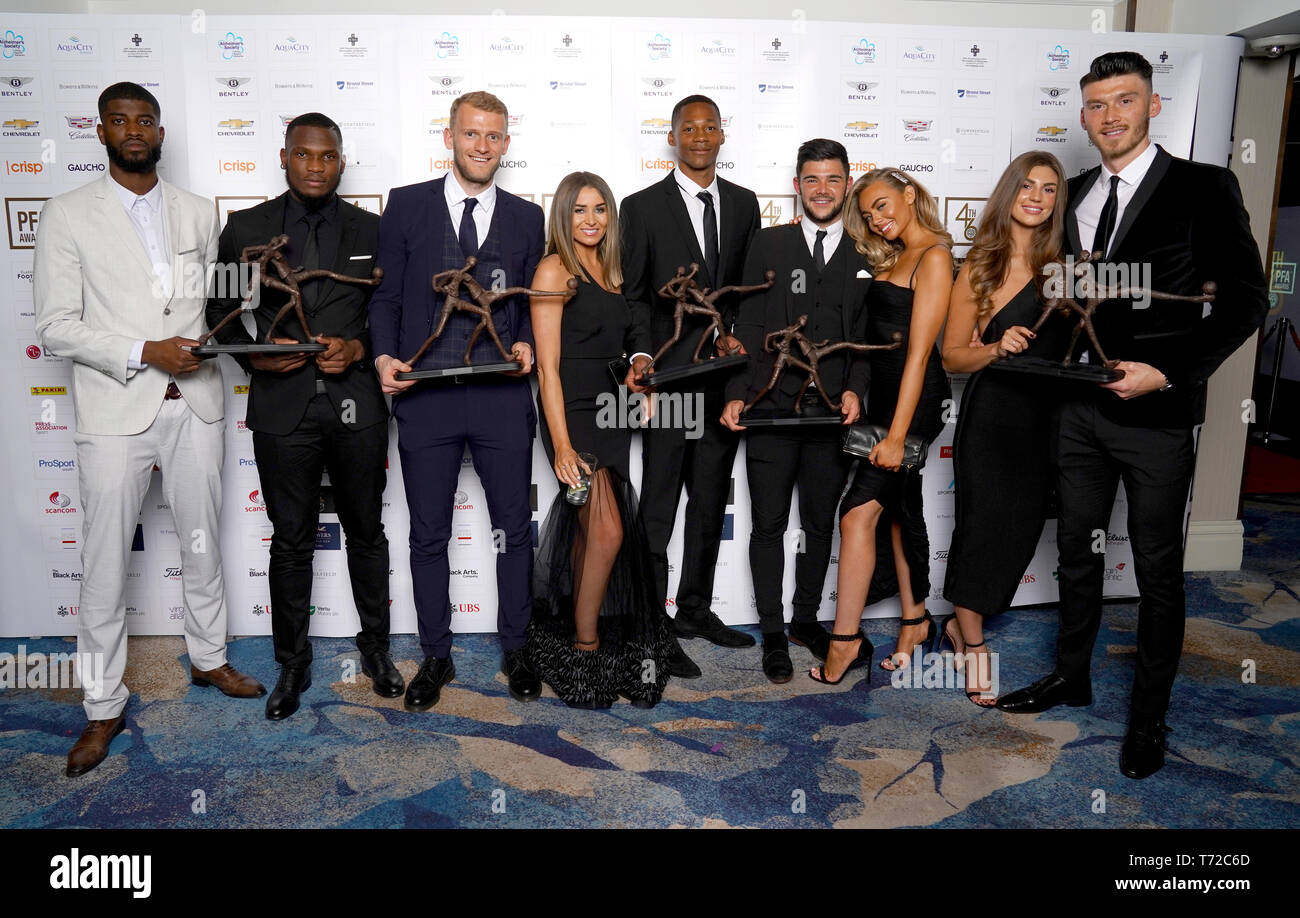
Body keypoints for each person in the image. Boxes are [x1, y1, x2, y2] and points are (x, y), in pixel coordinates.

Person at [996, 52, 1269, 779]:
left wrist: (1168, 371)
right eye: (1096, 104)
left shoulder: (1205, 186)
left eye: (1124, 100)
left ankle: (1148, 717)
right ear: (1083, 116)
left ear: (1152, 105)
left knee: (1157, 570)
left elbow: (1246, 301)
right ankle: (1071, 676)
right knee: (1077, 553)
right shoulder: (1078, 192)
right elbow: (1070, 295)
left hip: (1156, 416)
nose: (1109, 115)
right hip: (1078, 408)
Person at [34, 82, 264, 777]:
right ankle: (103, 703)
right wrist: (144, 351)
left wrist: (248, 317)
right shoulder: (67, 214)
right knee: (104, 563)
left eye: (145, 120)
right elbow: (55, 327)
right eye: (120, 120)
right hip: (115, 409)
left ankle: (209, 658)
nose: (133, 130)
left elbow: (220, 307)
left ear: (160, 133)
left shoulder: (198, 211)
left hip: (195, 402)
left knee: (203, 540)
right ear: (101, 131)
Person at [205, 113, 400, 720]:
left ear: (341, 161)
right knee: (290, 541)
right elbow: (219, 312)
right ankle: (292, 664)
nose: (316, 166)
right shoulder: (247, 229)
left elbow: (393, 311)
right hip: (281, 407)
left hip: (357, 404)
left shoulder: (375, 228)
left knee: (366, 533)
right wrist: (256, 358)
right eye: (304, 154)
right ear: (284, 157)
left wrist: (360, 348)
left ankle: (376, 650)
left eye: (328, 156)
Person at [368, 91, 542, 710]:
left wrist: (525, 340)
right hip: (427, 396)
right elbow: (385, 298)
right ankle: (436, 655)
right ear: (449, 137)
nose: (482, 146)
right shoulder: (406, 204)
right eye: (471, 133)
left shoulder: (527, 217)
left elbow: (530, 303)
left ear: (506, 143)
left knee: (513, 530)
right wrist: (383, 357)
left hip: (500, 396)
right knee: (427, 534)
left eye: (493, 136)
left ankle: (517, 647)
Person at [621, 94, 762, 673]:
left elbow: (747, 293)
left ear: (722, 134)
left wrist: (735, 337)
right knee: (658, 506)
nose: (700, 136)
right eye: (689, 127)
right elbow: (634, 296)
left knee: (708, 502)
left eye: (710, 126)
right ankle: (653, 624)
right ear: (672, 137)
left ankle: (695, 610)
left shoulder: (745, 203)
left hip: (723, 382)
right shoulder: (640, 207)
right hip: (670, 384)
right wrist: (641, 357)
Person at [720, 139, 870, 683]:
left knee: (819, 524)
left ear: (847, 184)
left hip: (832, 414)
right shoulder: (768, 243)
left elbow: (865, 334)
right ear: (797, 185)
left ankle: (806, 620)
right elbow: (747, 324)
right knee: (768, 525)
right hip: (771, 410)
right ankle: (773, 633)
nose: (822, 189)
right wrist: (738, 390)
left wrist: (856, 389)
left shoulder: (865, 248)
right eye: (812, 179)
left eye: (832, 179)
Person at [526, 172, 676, 708]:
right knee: (609, 531)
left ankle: (575, 627)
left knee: (592, 531)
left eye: (600, 209)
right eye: (579, 210)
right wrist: (562, 446)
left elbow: (629, 338)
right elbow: (547, 369)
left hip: (610, 411)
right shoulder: (554, 270)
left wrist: (639, 372)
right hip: (571, 412)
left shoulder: (611, 270)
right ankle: (585, 647)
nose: (591, 220)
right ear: (563, 216)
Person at [810, 168, 954, 684]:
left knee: (856, 515)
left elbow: (919, 356)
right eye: (868, 213)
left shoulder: (934, 256)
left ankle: (845, 641)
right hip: (885, 400)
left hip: (916, 404)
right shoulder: (895, 256)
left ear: (910, 194)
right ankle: (915, 622)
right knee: (896, 513)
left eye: (883, 205)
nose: (876, 219)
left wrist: (896, 437)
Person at [939, 151, 1068, 705]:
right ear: (1009, 193)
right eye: (1027, 186)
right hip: (992, 417)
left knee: (1019, 532)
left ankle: (958, 622)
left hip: (1049, 419)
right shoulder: (981, 267)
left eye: (1049, 189)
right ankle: (972, 641)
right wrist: (993, 347)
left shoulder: (1067, 267)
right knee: (981, 529)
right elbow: (951, 355)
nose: (1036, 197)